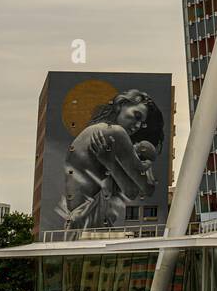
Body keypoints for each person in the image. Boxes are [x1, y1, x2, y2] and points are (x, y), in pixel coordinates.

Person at [55, 90, 164, 237]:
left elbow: (131, 191)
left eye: (142, 123)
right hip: (90, 225)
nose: (138, 125)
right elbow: (145, 188)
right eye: (136, 116)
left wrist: (109, 162)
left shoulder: (92, 132)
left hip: (79, 224)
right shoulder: (116, 132)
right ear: (122, 104)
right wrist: (144, 166)